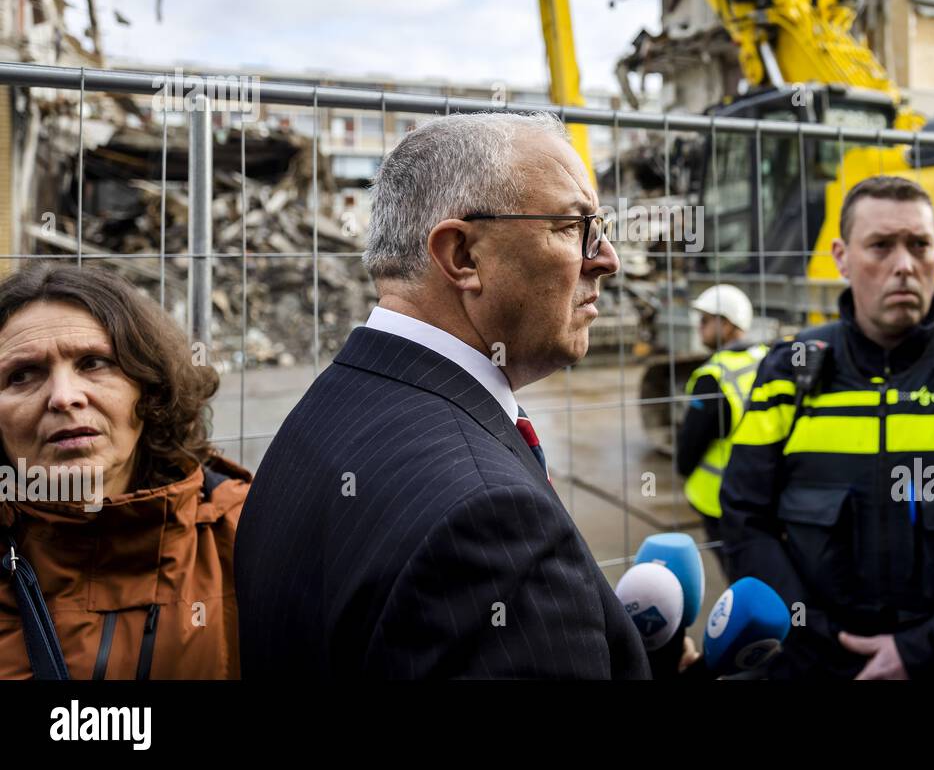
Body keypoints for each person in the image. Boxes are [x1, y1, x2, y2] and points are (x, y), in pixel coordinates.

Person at [235, 111, 650, 679]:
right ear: (462, 256)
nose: (606, 259)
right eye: (574, 227)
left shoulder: (322, 414)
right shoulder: (491, 520)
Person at [721, 175, 934, 680]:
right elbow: (744, 518)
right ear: (842, 257)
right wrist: (814, 639)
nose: (904, 265)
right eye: (881, 246)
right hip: (819, 662)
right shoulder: (790, 372)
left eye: (919, 245)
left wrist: (926, 647)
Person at [0, 263, 247, 680]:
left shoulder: (248, 538)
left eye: (94, 363)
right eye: (22, 375)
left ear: (148, 388)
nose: (63, 397)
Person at [676, 284, 767, 575]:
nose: (699, 327)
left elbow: (689, 446)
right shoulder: (766, 359)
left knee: (736, 572)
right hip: (763, 493)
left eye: (705, 320)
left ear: (726, 324)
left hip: (719, 501)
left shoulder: (713, 377)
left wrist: (683, 469)